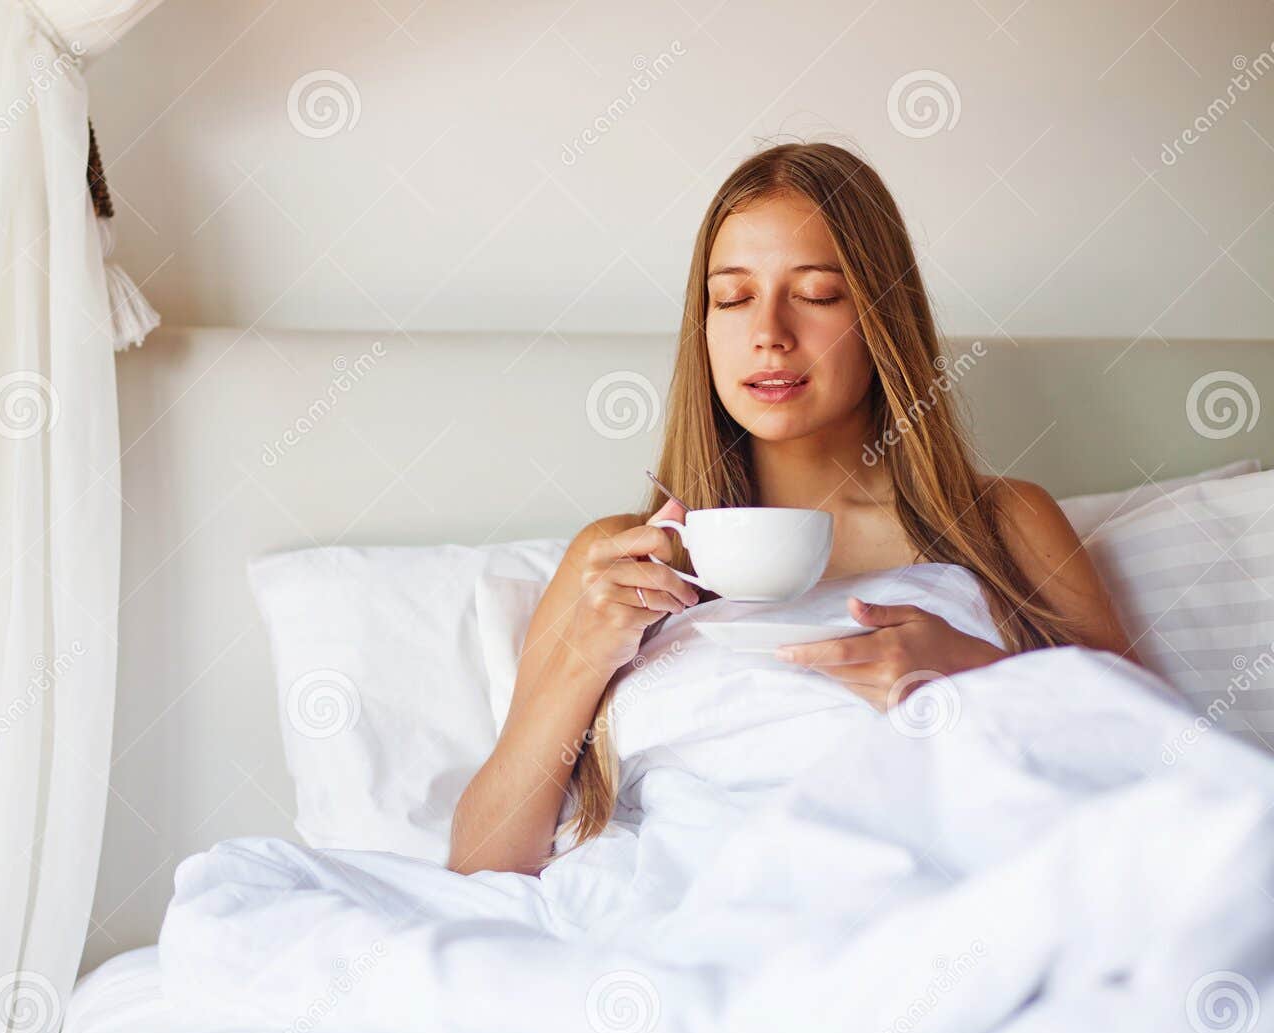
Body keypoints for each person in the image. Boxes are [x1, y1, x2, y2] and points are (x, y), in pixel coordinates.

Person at [448, 141, 1135, 878]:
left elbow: (1156, 783)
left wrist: (976, 679)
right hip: (668, 916)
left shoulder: (1001, 523)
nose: (769, 333)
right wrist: (582, 658)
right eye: (733, 297)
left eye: (816, 294)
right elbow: (481, 864)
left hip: (928, 902)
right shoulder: (621, 557)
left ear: (882, 318)